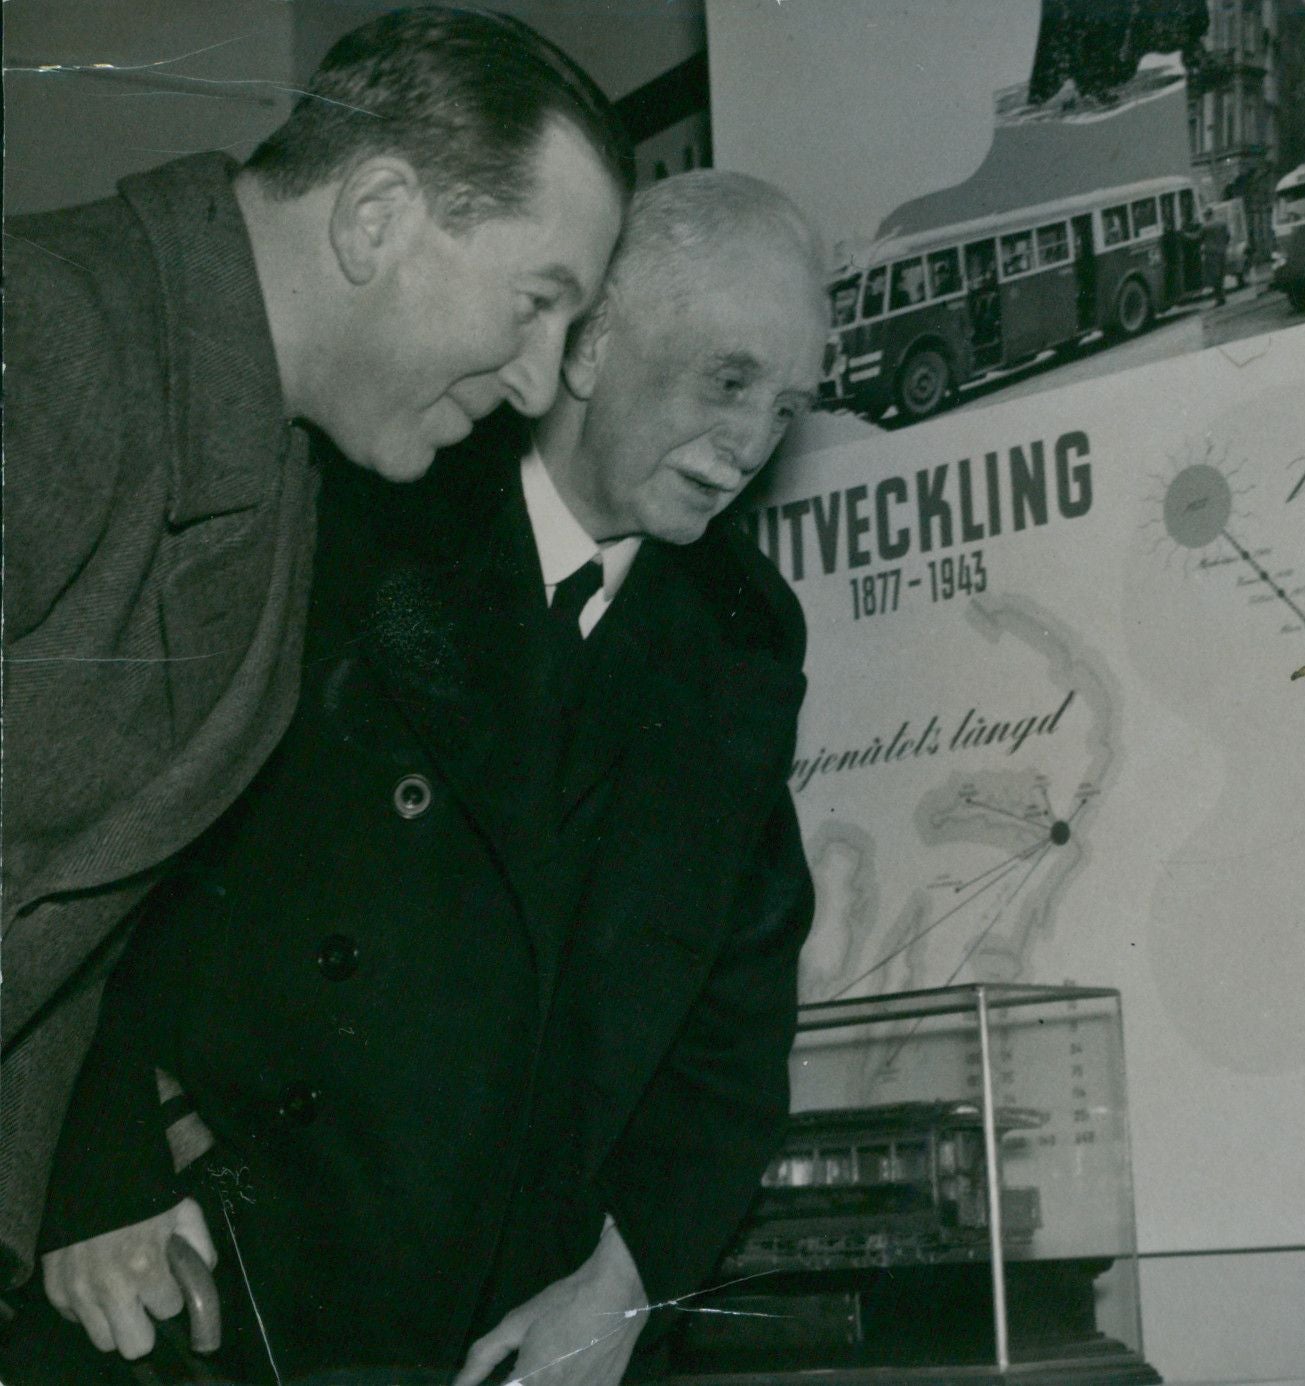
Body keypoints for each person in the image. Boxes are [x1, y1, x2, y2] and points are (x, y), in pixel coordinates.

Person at [29, 172, 827, 1384]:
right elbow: (108, 850)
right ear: (590, 347)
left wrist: (622, 1286)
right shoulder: (353, 512)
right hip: (217, 1278)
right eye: (728, 380)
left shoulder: (741, 636)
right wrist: (97, 1176)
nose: (751, 442)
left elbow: (736, 1003)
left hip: (512, 1326)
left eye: (788, 405)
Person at [0, 5, 630, 1322]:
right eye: (536, 302)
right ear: (378, 216)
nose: (534, 383)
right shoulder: (43, 339)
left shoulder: (291, 476)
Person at [1200, 207, 1231, 307]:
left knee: (1215, 277)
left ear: (1207, 215)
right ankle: (1222, 297)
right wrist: (1223, 245)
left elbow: (1198, 237)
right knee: (1221, 275)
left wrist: (1184, 234)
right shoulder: (1222, 223)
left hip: (1211, 254)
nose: (1204, 217)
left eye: (1204, 215)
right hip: (1222, 252)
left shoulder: (1205, 227)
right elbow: (1228, 236)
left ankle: (1219, 299)